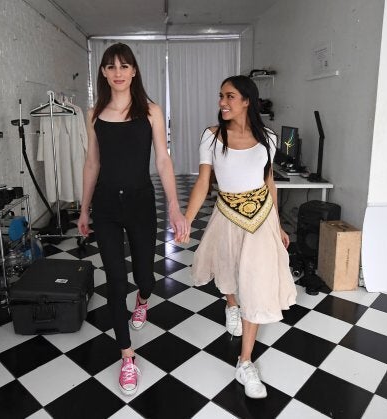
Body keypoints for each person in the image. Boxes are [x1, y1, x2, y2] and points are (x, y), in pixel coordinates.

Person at [175, 75, 297, 399]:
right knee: (229, 272)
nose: (222, 102)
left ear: (247, 101)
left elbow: (269, 182)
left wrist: (279, 224)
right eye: (220, 96)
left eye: (229, 96)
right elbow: (203, 183)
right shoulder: (212, 137)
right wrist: (186, 219)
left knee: (256, 285)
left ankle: (245, 362)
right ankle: (231, 304)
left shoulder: (268, 138)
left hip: (261, 220)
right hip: (228, 215)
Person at [77, 43, 186, 396]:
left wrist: (174, 205)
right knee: (114, 278)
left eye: (125, 66)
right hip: (106, 206)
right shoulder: (93, 113)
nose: (118, 72)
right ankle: (127, 357)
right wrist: (83, 208)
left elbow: (163, 161)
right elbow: (92, 163)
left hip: (141, 203)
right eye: (111, 67)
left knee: (143, 276)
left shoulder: (150, 110)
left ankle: (143, 301)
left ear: (134, 71)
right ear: (104, 73)